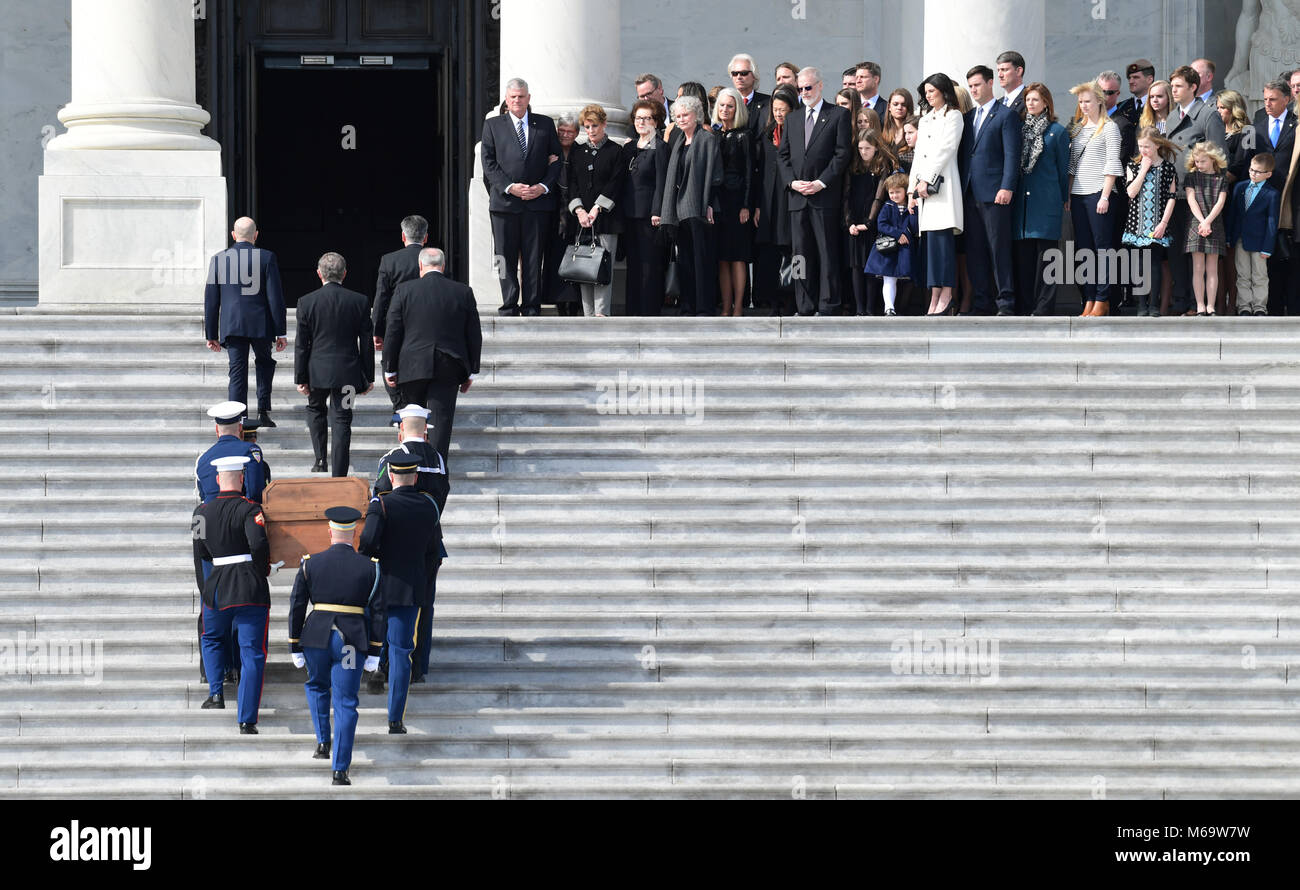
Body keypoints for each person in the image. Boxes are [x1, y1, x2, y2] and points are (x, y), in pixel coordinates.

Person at [288, 506, 384, 785]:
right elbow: (379, 612)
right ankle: (340, 769)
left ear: (329, 532)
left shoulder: (310, 563)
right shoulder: (372, 567)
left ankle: (322, 743)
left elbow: (297, 606)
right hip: (352, 641)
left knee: (318, 686)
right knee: (346, 702)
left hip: (316, 638)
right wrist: (376, 650)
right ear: (354, 533)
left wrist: (294, 644)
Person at [359, 451, 441, 734]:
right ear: (415, 477)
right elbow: (433, 552)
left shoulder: (380, 505)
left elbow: (367, 543)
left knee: (369, 642)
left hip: (380, 588)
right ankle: (395, 718)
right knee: (401, 653)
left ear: (391, 476)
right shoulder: (429, 506)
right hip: (411, 589)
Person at [370, 405, 448, 692]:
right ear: (425, 430)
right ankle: (418, 666)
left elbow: (377, 498)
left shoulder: (391, 458)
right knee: (423, 604)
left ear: (401, 430)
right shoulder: (438, 459)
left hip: (393, 545)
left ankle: (385, 663)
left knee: (387, 605)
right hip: (429, 542)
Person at [191, 455, 271, 734]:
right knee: (252, 654)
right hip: (249, 586)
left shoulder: (200, 513)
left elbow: (200, 551)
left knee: (212, 638)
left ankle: (215, 694)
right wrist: (262, 570)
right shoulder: (251, 509)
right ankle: (247, 719)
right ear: (241, 479)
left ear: (216, 480)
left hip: (216, 587)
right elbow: (259, 544)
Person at [383, 248, 482, 465]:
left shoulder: (404, 290)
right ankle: (436, 471)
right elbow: (474, 334)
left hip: (412, 366)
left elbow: (393, 332)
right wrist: (472, 371)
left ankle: (411, 468)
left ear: (420, 266)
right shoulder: (462, 291)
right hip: (449, 365)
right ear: (443, 266)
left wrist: (389, 367)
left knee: (413, 424)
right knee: (441, 423)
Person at [481, 77, 562, 317]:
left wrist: (543, 187)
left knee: (533, 257)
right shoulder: (493, 125)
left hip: (537, 204)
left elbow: (556, 160)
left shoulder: (545, 125)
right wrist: (509, 187)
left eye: (521, 96)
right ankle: (508, 304)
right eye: (513, 97)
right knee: (504, 259)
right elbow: (488, 162)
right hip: (504, 204)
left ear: (528, 98)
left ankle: (531, 305)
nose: (517, 100)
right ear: (506, 100)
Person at [778, 66, 853, 316]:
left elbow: (842, 155)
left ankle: (828, 303)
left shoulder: (838, 115)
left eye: (808, 87)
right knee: (800, 256)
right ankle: (804, 304)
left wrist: (821, 182)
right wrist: (792, 182)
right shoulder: (792, 118)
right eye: (800, 89)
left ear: (820, 86)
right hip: (798, 198)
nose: (804, 93)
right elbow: (783, 156)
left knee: (826, 252)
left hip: (824, 197)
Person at [295, 252, 374, 476]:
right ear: (345, 274)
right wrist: (368, 376)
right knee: (342, 420)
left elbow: (302, 345)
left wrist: (301, 378)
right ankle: (339, 474)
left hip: (316, 372)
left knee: (315, 409)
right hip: (348, 374)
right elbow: (366, 343)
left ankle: (320, 460)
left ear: (319, 274)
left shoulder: (307, 302)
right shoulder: (359, 301)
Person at [203, 216, 286, 428]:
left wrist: (211, 334)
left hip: (233, 324)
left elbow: (211, 300)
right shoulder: (267, 258)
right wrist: (281, 332)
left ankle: (239, 418)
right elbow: (275, 297)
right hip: (261, 324)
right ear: (256, 235)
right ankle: (264, 412)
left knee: (237, 371)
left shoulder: (218, 259)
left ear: (233, 235)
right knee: (264, 365)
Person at [959, 64, 1022, 316]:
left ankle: (1005, 301)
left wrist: (1007, 186)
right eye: (970, 86)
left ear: (990, 83)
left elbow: (1011, 156)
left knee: (999, 249)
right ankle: (982, 301)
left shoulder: (1006, 115)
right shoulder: (967, 118)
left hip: (995, 194)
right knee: (975, 250)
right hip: (970, 193)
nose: (973, 90)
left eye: (977, 84)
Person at [1167, 65, 1228, 316]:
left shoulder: (1208, 115)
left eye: (1178, 86)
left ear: (1193, 87)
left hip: (1201, 197)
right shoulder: (1172, 117)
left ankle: (1197, 304)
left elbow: (1220, 156)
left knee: (1200, 255)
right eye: (1172, 86)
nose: (1174, 91)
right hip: (1175, 195)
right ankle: (1181, 301)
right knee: (1177, 253)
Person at [1010, 83, 1071, 316]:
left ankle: (1044, 308)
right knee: (1024, 260)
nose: (1031, 103)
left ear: (1046, 102)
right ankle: (1025, 306)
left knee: (1047, 260)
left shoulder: (1057, 132)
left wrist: (1064, 197)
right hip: (1023, 208)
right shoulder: (1019, 130)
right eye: (1028, 100)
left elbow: (1062, 168)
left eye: (1036, 99)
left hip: (1047, 202)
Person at [660, 95, 722, 316]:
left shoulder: (706, 139)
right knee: (684, 261)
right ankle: (687, 305)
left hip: (698, 208)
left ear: (697, 115)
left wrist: (710, 203)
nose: (681, 118)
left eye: (686, 114)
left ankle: (704, 307)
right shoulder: (677, 140)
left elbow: (715, 175)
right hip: (679, 211)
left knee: (701, 260)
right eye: (678, 115)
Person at [909, 73, 965, 316]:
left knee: (943, 243)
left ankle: (947, 294)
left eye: (932, 91)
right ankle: (934, 294)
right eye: (926, 92)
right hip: (924, 190)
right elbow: (919, 154)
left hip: (943, 185)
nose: (929, 96)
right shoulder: (925, 120)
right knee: (930, 245)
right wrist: (913, 188)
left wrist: (926, 179)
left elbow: (946, 149)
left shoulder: (953, 116)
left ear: (944, 91)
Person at [1068, 81, 1123, 317]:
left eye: (1088, 101)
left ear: (1100, 100)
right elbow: (1072, 164)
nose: (1084, 105)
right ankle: (1089, 298)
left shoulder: (1109, 128)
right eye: (1081, 101)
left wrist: (1105, 195)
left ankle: (1103, 298)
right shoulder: (1077, 129)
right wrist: (1068, 194)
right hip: (1078, 195)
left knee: (1103, 248)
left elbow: (1112, 163)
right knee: (1084, 249)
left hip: (1099, 193)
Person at [567, 104, 626, 318]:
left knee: (603, 268)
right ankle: (587, 315)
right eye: (587, 126)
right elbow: (572, 183)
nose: (591, 130)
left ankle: (602, 314)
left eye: (595, 125)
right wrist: (580, 210)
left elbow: (616, 183)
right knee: (584, 268)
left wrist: (597, 208)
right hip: (582, 220)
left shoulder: (615, 151)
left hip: (606, 219)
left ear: (604, 124)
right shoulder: (578, 152)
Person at [1120, 128, 1179, 317]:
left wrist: (1163, 223)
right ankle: (1141, 305)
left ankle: (1154, 304)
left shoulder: (1168, 168)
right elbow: (1130, 192)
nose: (1143, 150)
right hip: (1136, 223)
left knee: (1154, 264)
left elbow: (1171, 197)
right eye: (1140, 146)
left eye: (1147, 146)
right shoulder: (1133, 166)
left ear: (1157, 145)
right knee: (1139, 265)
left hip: (1157, 224)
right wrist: (1144, 169)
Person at [372, 216, 427, 414]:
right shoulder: (434, 258)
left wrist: (377, 330)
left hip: (396, 323)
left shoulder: (389, 260)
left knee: (389, 363)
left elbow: (381, 298)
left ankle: (399, 406)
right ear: (425, 237)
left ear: (403, 236)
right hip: (426, 324)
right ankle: (417, 407)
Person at [622, 100, 669, 316]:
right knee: (634, 265)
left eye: (647, 118)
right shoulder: (630, 147)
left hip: (650, 216)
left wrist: (657, 211)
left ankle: (649, 311)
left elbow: (662, 182)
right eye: (638, 118)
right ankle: (633, 311)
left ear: (656, 121)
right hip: (629, 214)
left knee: (650, 265)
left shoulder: (660, 147)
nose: (642, 122)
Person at [1253, 79, 1296, 315]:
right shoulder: (1257, 126)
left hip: (1289, 198)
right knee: (1265, 254)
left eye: (1273, 99)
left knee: (1287, 254)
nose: (1267, 104)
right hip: (1262, 199)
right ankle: (1269, 306)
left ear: (1286, 100)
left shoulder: (1295, 125)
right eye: (1265, 99)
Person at [754, 85, 798, 317]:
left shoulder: (800, 132)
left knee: (794, 249)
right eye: (776, 109)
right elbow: (761, 170)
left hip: (791, 197)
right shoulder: (768, 132)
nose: (779, 114)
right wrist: (759, 205)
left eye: (784, 109)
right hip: (770, 199)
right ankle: (773, 300)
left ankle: (795, 297)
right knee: (771, 250)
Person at [713, 87, 756, 317]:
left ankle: (738, 306)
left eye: (730, 105)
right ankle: (726, 306)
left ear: (737, 108)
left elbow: (750, 172)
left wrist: (746, 205)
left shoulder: (744, 135)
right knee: (722, 258)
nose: (725, 109)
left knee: (738, 256)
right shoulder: (714, 134)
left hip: (737, 200)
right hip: (719, 202)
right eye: (721, 105)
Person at [844, 128, 894, 315]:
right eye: (860, 148)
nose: (863, 152)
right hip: (855, 221)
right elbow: (846, 195)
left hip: (872, 222)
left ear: (876, 148)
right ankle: (859, 308)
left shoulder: (882, 167)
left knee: (872, 266)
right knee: (856, 266)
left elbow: (878, 197)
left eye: (867, 148)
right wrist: (849, 222)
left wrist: (869, 221)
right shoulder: (853, 166)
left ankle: (871, 308)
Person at [1227, 152, 1281, 316]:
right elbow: (1233, 214)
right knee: (1242, 274)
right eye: (1251, 170)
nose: (1253, 173)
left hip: (1260, 242)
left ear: (1268, 174)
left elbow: (1272, 222)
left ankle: (1259, 306)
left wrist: (1268, 247)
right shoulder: (1240, 187)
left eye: (1258, 171)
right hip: (1241, 239)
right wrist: (1230, 237)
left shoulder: (1272, 193)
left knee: (1259, 275)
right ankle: (1244, 306)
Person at [1183, 142, 1230, 315]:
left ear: (1213, 159)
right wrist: (1202, 221)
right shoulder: (1191, 177)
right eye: (1196, 161)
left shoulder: (1222, 178)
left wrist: (1208, 221)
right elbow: (1191, 200)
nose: (1199, 165)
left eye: (1203, 161)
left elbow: (1221, 202)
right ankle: (1200, 305)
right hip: (1197, 223)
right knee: (1198, 267)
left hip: (1214, 223)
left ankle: (1211, 305)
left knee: (1212, 268)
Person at [542, 113, 582, 317]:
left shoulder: (581, 152)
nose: (565, 135)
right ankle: (558, 301)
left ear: (576, 133)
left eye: (570, 131)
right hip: (553, 215)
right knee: (555, 259)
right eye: (562, 131)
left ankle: (574, 303)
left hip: (576, 216)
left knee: (576, 260)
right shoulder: (550, 151)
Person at [865, 172, 918, 315]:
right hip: (888, 249)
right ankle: (889, 307)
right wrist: (898, 234)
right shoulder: (887, 206)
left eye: (898, 192)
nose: (894, 196)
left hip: (904, 250)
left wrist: (913, 211)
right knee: (889, 279)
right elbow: (881, 224)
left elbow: (915, 228)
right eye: (891, 192)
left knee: (906, 279)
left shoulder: (911, 207)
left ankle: (901, 307)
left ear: (906, 191)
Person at [728, 53, 770, 136]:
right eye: (735, 73)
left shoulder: (768, 102)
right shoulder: (726, 103)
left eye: (744, 73)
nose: (739, 77)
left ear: (754, 75)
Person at [1119, 59, 1157, 125]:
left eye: (1136, 77)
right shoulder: (1121, 107)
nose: (1131, 81)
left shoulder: (1159, 105)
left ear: (1149, 79)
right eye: (1129, 78)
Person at [996, 51, 1027, 116]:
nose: (999, 75)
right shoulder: (997, 104)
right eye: (998, 70)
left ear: (1018, 71)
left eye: (1004, 70)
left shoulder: (1030, 100)